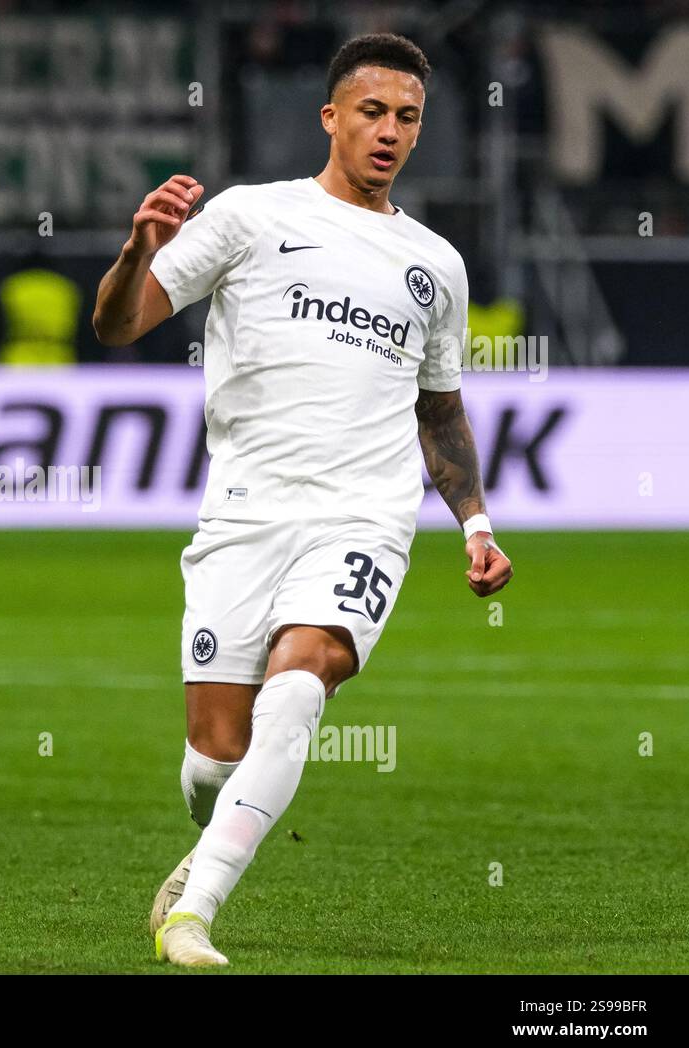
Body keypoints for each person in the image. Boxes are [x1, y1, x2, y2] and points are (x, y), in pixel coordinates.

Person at [92, 33, 513, 967]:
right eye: (373, 111)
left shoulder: (435, 265)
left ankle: (193, 914)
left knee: (302, 684)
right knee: (213, 761)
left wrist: (475, 524)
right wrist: (136, 251)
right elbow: (121, 324)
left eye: (408, 117)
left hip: (363, 516)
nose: (390, 132)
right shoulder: (249, 218)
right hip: (243, 514)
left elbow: (439, 412)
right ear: (331, 116)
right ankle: (208, 842)